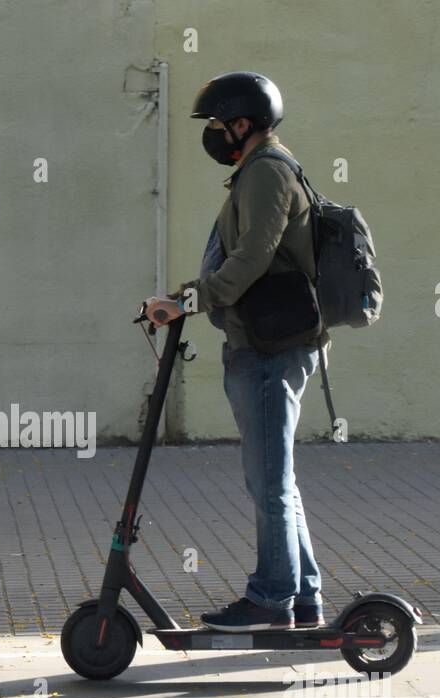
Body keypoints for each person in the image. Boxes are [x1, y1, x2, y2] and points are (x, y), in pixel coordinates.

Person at [142, 72, 325, 632]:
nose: (215, 134)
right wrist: (183, 298)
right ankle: (303, 597)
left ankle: (272, 601)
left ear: (243, 122)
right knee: (275, 478)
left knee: (269, 480)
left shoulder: (267, 172)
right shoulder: (259, 170)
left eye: (220, 123)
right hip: (262, 342)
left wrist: (188, 301)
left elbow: (251, 259)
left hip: (269, 348)